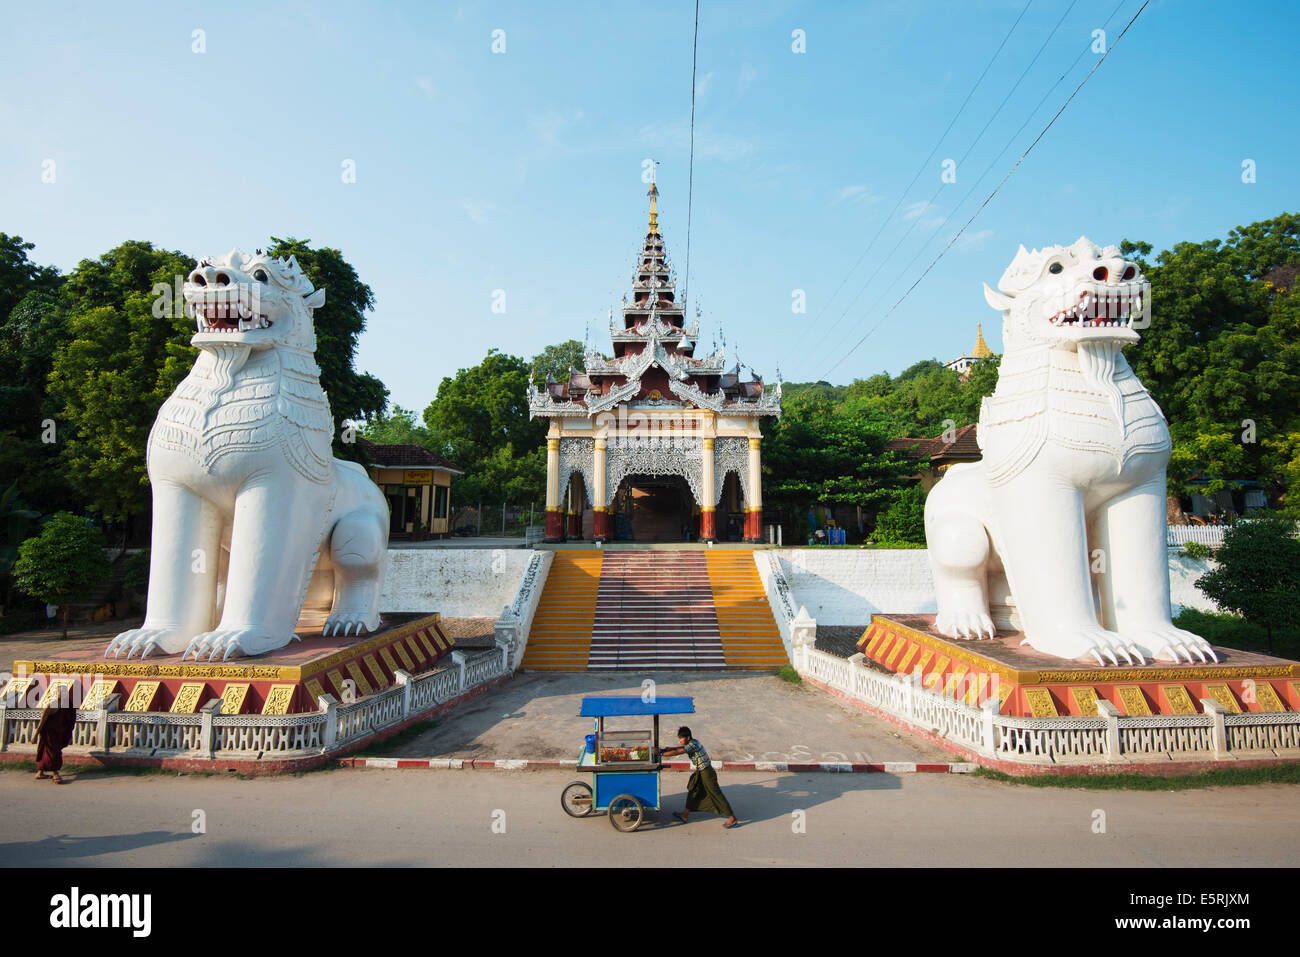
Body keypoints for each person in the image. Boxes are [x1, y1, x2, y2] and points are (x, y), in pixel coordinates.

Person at [660, 726, 738, 828]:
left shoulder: (692, 745)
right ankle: (685, 815)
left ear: (688, 737)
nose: (680, 741)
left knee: (716, 793)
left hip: (707, 772)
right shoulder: (692, 742)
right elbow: (677, 748)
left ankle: (732, 818)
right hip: (700, 772)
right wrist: (665, 749)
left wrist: (662, 753)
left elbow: (678, 751)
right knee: (694, 790)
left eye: (681, 738)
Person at [34, 692, 77, 784]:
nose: (62, 695)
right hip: (49, 733)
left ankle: (40, 772)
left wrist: (69, 735)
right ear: (57, 694)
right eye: (60, 693)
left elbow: (70, 722)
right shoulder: (51, 706)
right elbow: (42, 721)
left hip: (60, 732)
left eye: (64, 693)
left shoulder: (68, 706)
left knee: (46, 751)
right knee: (53, 752)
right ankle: (55, 773)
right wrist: (35, 734)